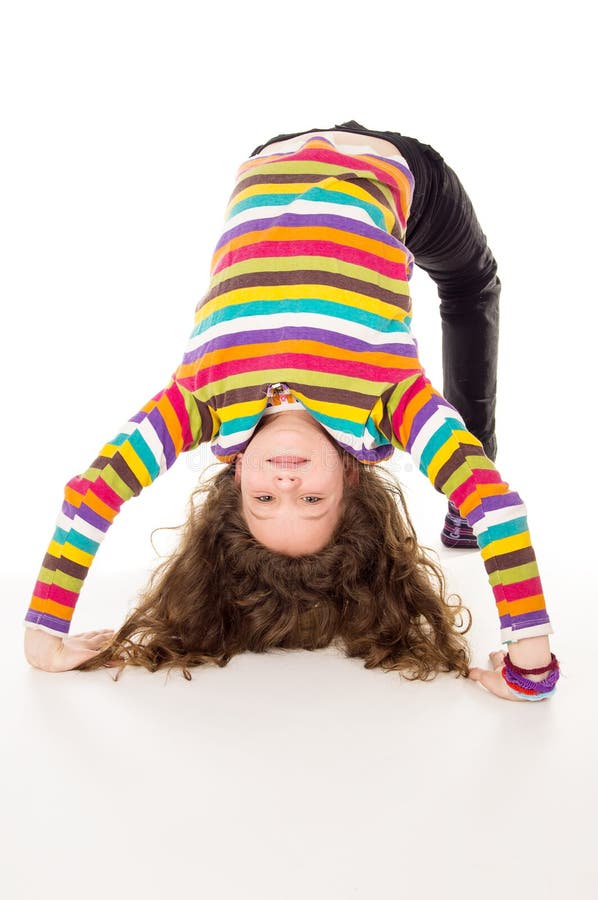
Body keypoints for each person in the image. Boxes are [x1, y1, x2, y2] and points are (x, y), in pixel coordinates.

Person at [22, 122, 561, 702]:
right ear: (351, 475)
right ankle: (454, 500)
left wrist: (42, 636)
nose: (285, 480)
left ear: (237, 477)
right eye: (310, 501)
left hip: (273, 155)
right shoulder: (388, 403)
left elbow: (91, 495)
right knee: (469, 285)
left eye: (265, 499)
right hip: (394, 169)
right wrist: (531, 666)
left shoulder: (201, 402)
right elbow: (498, 510)